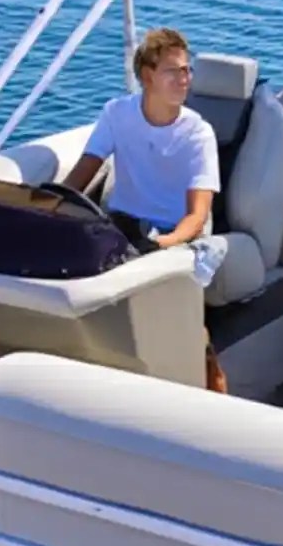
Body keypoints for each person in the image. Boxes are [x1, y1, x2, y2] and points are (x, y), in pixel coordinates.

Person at [60, 27, 229, 393]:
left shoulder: (198, 134)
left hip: (175, 234)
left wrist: (164, 244)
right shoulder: (116, 114)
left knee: (166, 301)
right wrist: (50, 207)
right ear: (148, 76)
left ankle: (209, 382)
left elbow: (197, 216)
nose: (184, 79)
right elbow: (82, 173)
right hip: (121, 227)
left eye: (187, 70)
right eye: (174, 71)